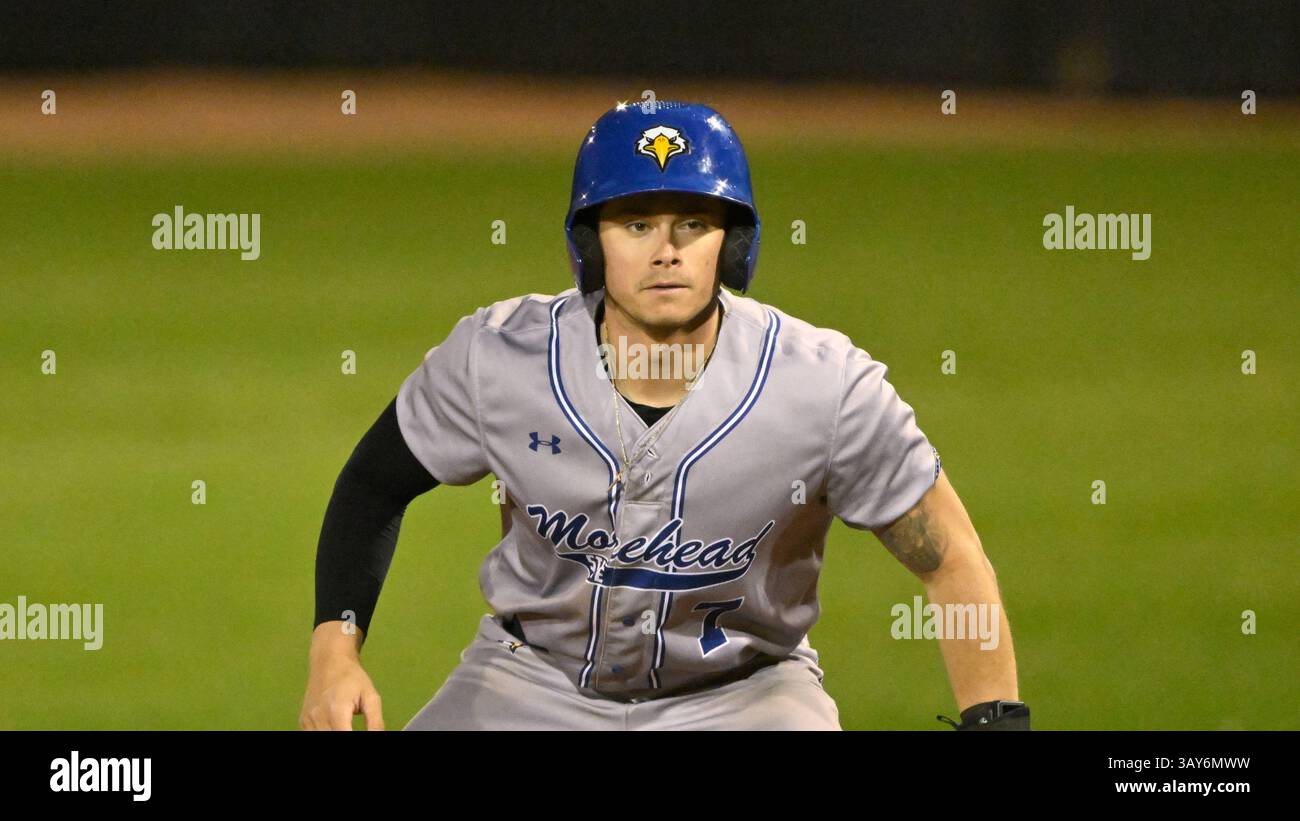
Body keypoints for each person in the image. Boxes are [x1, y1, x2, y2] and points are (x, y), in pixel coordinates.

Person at [299, 101, 1027, 731]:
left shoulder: (824, 388)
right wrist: (336, 649)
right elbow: (374, 484)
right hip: (528, 683)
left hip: (748, 696)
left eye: (693, 222)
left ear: (732, 244)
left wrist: (994, 719)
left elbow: (952, 559)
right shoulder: (501, 359)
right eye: (636, 222)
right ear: (590, 244)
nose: (668, 251)